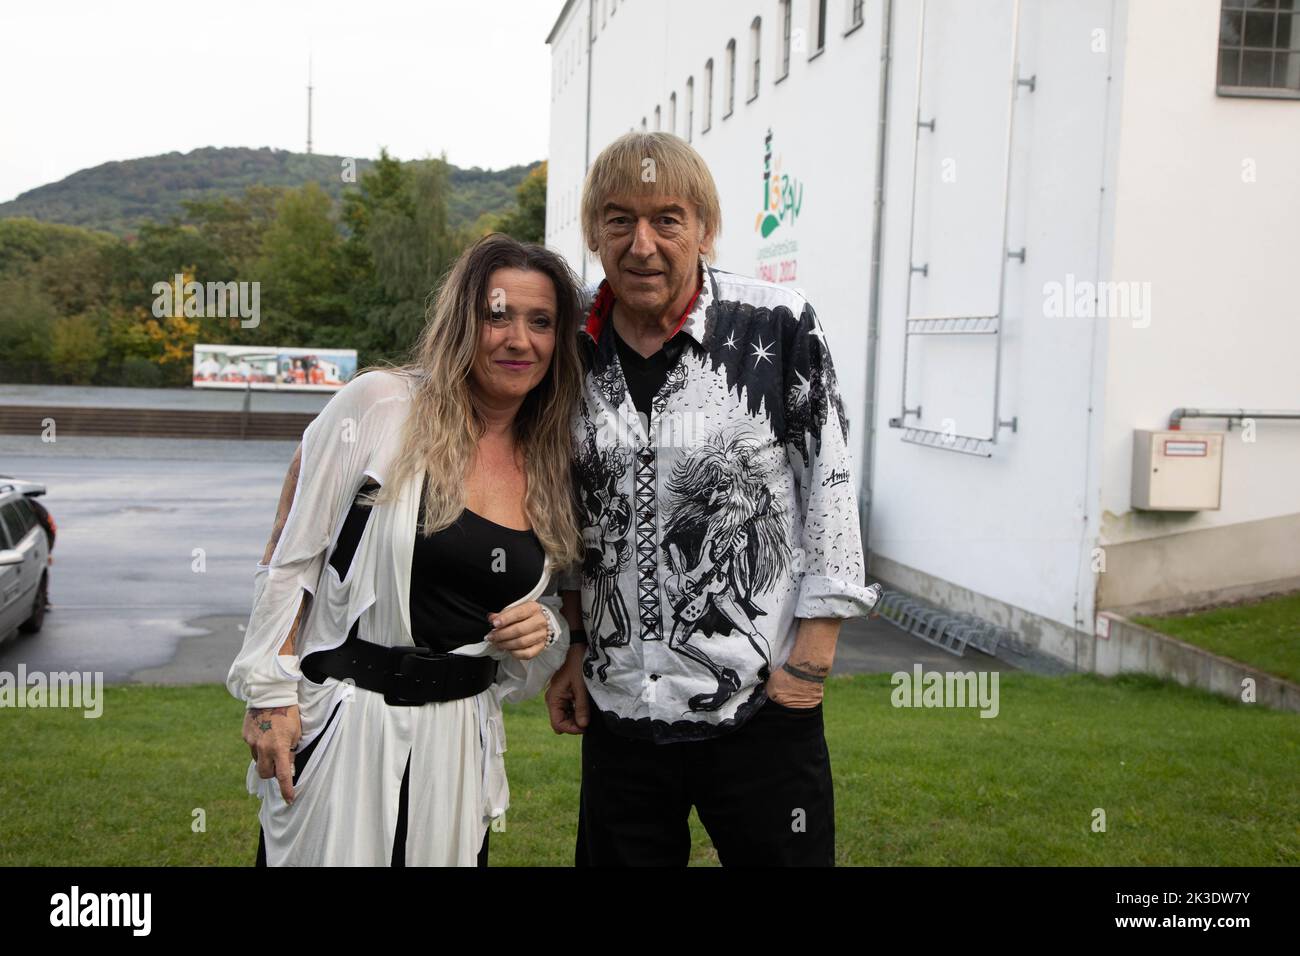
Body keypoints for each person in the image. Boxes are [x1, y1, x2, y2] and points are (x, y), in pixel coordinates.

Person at [545, 132, 882, 866]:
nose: (642, 244)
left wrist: (810, 668)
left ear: (704, 228)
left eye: (667, 219)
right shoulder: (566, 343)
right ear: (593, 232)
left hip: (764, 710)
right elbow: (571, 514)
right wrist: (573, 645)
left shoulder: (777, 324)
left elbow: (828, 485)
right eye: (618, 219)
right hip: (621, 713)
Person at [229, 233, 586, 866]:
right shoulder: (384, 404)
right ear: (462, 321)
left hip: (457, 746)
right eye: (496, 314)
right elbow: (293, 554)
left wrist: (542, 628)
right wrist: (269, 693)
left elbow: (530, 627)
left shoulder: (551, 457)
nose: (518, 339)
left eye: (541, 322)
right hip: (348, 729)